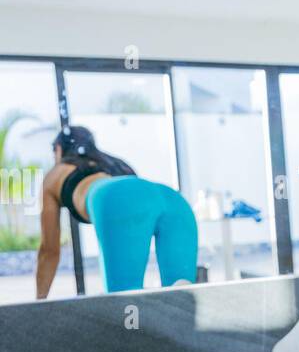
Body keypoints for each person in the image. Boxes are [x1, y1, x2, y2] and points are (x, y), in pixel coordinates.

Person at [38, 126, 198, 297]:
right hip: (172, 199)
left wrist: (38, 303)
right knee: (182, 299)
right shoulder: (109, 163)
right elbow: (139, 205)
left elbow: (50, 250)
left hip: (121, 200)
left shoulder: (54, 174)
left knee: (126, 304)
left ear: (59, 149)